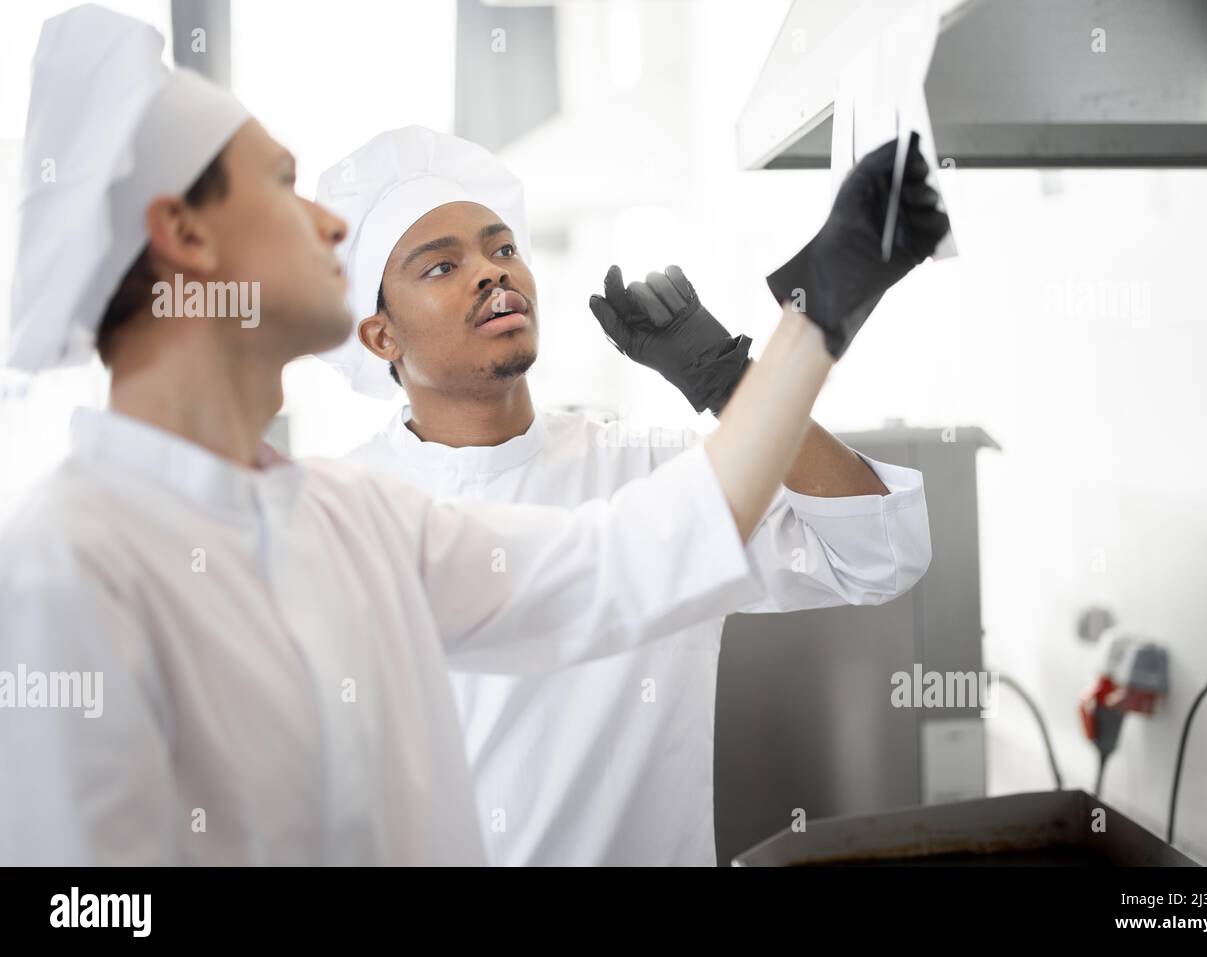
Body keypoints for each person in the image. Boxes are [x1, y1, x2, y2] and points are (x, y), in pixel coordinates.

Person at [0, 6, 948, 865]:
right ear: (187, 239)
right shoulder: (62, 566)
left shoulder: (344, 518)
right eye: (286, 185)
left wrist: (800, 328)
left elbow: (624, 562)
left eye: (500, 248)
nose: (330, 224)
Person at [319, 127, 945, 865]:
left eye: (502, 248)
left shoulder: (641, 467)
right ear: (381, 336)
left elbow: (878, 552)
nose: (491, 273)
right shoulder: (346, 513)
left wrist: (727, 381)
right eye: (442, 266)